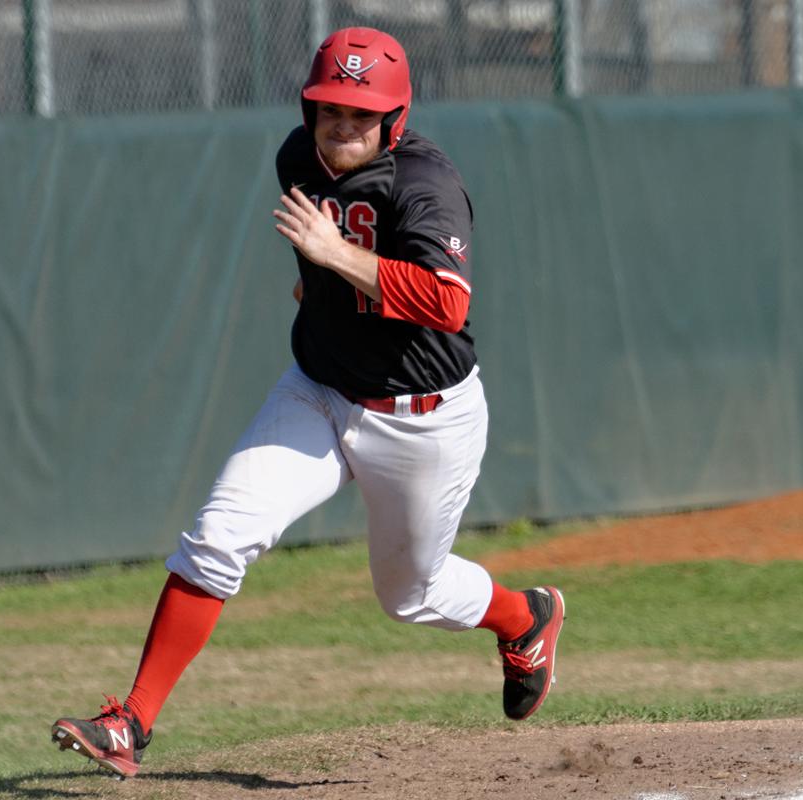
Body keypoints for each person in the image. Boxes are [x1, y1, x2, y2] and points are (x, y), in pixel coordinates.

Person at [47, 27, 566, 780]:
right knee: (219, 535)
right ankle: (132, 720)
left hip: (424, 419)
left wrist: (336, 258)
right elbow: (318, 266)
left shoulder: (426, 183)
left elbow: (447, 303)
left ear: (395, 118)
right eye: (330, 108)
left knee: (411, 595)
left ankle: (526, 618)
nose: (343, 125)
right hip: (318, 392)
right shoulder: (296, 157)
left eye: (362, 113)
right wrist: (319, 281)